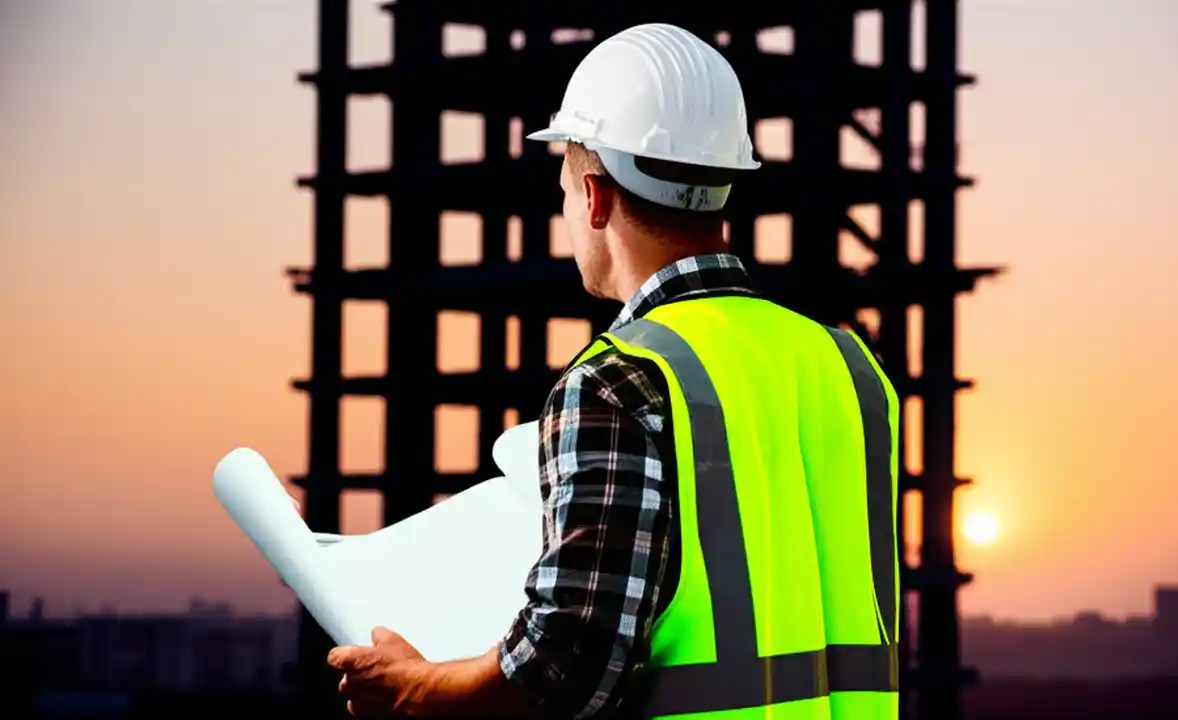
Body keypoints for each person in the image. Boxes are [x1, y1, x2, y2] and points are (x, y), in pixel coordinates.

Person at [328, 22, 901, 719]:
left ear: (595, 197)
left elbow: (564, 665)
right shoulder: (849, 368)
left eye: (565, 191)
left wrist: (418, 687)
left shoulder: (617, 383)